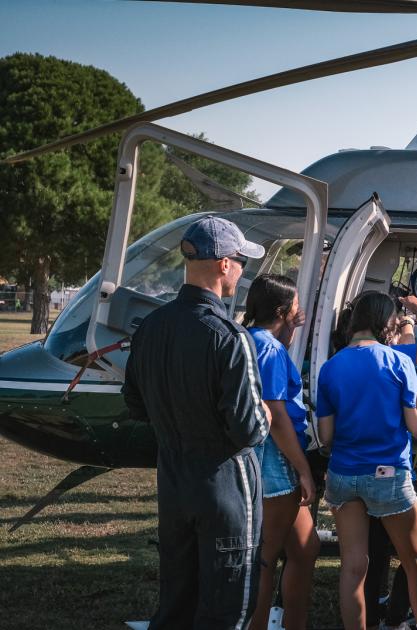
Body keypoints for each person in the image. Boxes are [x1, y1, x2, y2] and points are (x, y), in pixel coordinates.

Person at [123, 215, 269, 628]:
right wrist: (267, 415)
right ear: (224, 263)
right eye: (240, 260)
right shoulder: (228, 335)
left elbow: (134, 403)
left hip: (173, 481)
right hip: (225, 483)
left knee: (175, 604)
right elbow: (249, 428)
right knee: (228, 609)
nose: (242, 270)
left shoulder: (150, 327)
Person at [316, 292, 417, 630]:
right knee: (416, 560)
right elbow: (416, 427)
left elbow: (326, 436)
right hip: (388, 474)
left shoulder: (331, 367)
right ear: (388, 324)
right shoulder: (398, 362)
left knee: (353, 566)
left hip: (342, 474)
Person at [243, 275, 319, 630]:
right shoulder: (271, 350)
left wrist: (287, 330)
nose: (300, 312)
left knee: (305, 548)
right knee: (265, 558)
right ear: (283, 310)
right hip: (277, 462)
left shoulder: (252, 339)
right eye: (296, 307)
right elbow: (275, 415)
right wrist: (302, 468)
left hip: (265, 460)